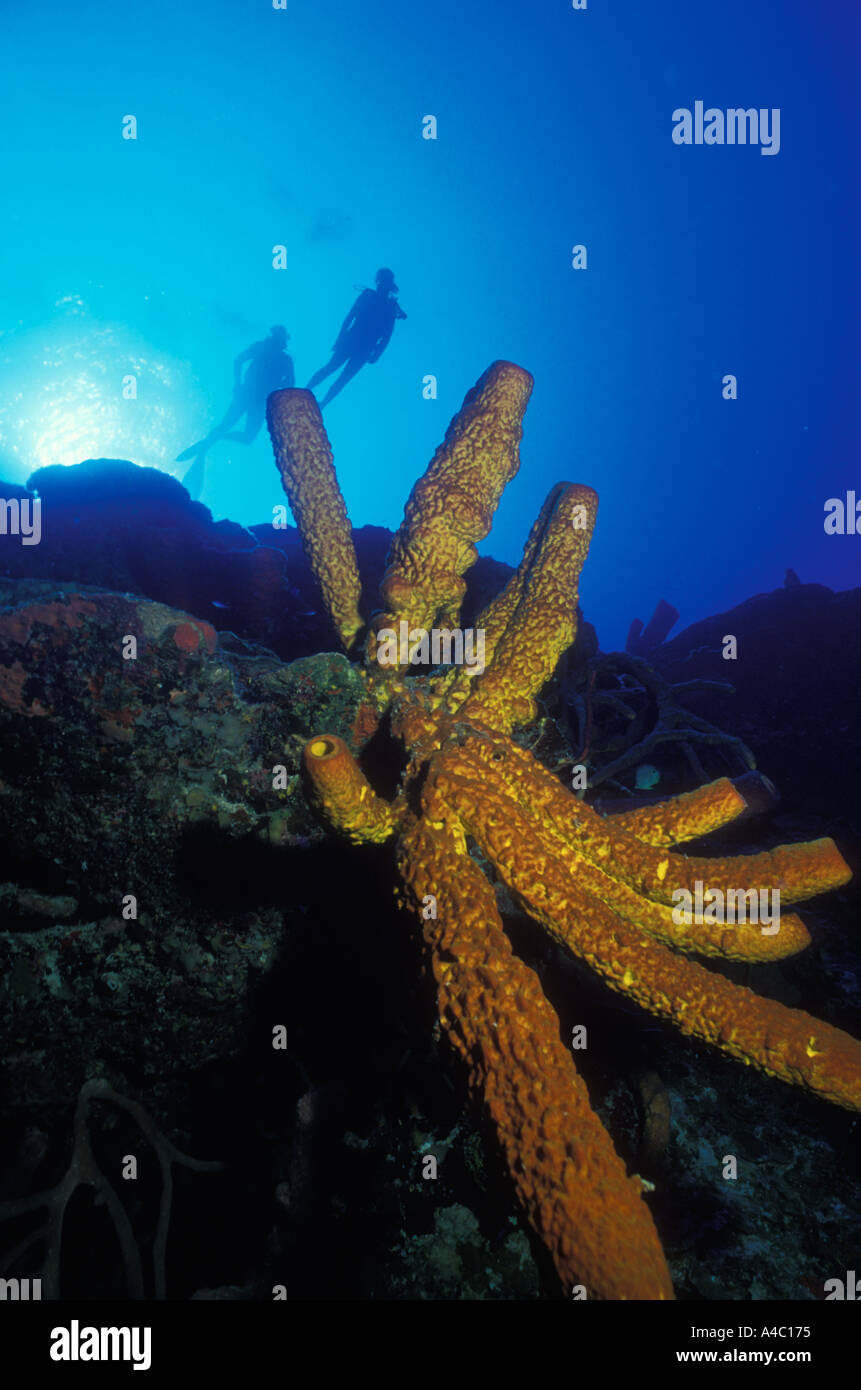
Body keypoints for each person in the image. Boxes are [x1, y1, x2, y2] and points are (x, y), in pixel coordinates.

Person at [177, 326, 295, 497]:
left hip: (255, 398)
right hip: (251, 395)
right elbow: (239, 360)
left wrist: (241, 385)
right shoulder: (274, 353)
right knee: (233, 429)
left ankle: (213, 440)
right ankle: (213, 440)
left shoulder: (280, 357)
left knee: (243, 435)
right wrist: (239, 385)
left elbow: (289, 382)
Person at [307, 268, 406, 407]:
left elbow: (387, 334)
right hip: (356, 341)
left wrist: (377, 353)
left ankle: (321, 403)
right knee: (333, 371)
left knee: (341, 377)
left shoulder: (389, 305)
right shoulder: (373, 298)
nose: (381, 284)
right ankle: (307, 392)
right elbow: (349, 318)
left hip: (361, 344)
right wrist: (340, 339)